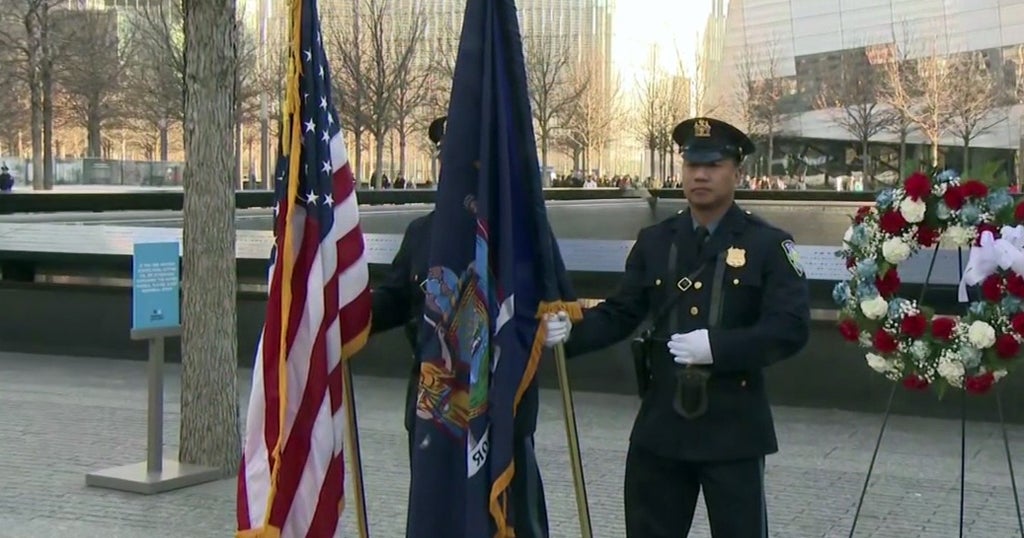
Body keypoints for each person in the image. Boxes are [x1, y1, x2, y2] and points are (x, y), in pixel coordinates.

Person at [544, 117, 810, 537]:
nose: (700, 175)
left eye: (714, 165)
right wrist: (571, 332)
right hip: (663, 425)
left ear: (737, 172)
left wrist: (717, 348)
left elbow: (790, 328)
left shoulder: (768, 244)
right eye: (691, 165)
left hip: (733, 428)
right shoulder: (656, 240)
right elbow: (622, 311)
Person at [369, 116, 550, 537]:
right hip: (437, 412)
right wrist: (340, 315)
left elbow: (539, 305)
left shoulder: (520, 233)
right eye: (446, 157)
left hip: (500, 410)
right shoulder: (423, 232)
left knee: (509, 519)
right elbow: (396, 299)